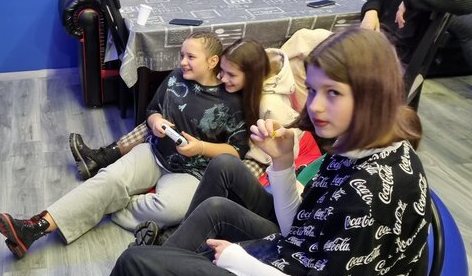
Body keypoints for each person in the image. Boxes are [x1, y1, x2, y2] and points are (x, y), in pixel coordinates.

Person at [45, 28, 430, 276]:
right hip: (294, 260)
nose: (313, 106)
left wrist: (239, 260)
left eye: (333, 93)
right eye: (313, 90)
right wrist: (282, 162)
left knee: (137, 266)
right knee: (216, 188)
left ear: (371, 96)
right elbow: (299, 230)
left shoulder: (369, 191)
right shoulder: (361, 146)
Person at [0, 32, 247, 259]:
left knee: (169, 210)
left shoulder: (231, 101)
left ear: (212, 61)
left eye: (191, 57)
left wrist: (200, 147)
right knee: (108, 180)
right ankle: (33, 228)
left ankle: (107, 202)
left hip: (193, 173)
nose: (183, 62)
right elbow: (152, 110)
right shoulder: (174, 78)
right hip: (154, 153)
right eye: (182, 55)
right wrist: (156, 121)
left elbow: (236, 151)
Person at [69, 38, 301, 180]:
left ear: (250, 76)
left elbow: (266, 153)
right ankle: (100, 158)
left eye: (230, 75)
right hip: (235, 139)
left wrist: (207, 149)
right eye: (222, 71)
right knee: (159, 121)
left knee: (234, 179)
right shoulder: (240, 81)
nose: (222, 78)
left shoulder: (269, 106)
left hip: (262, 155)